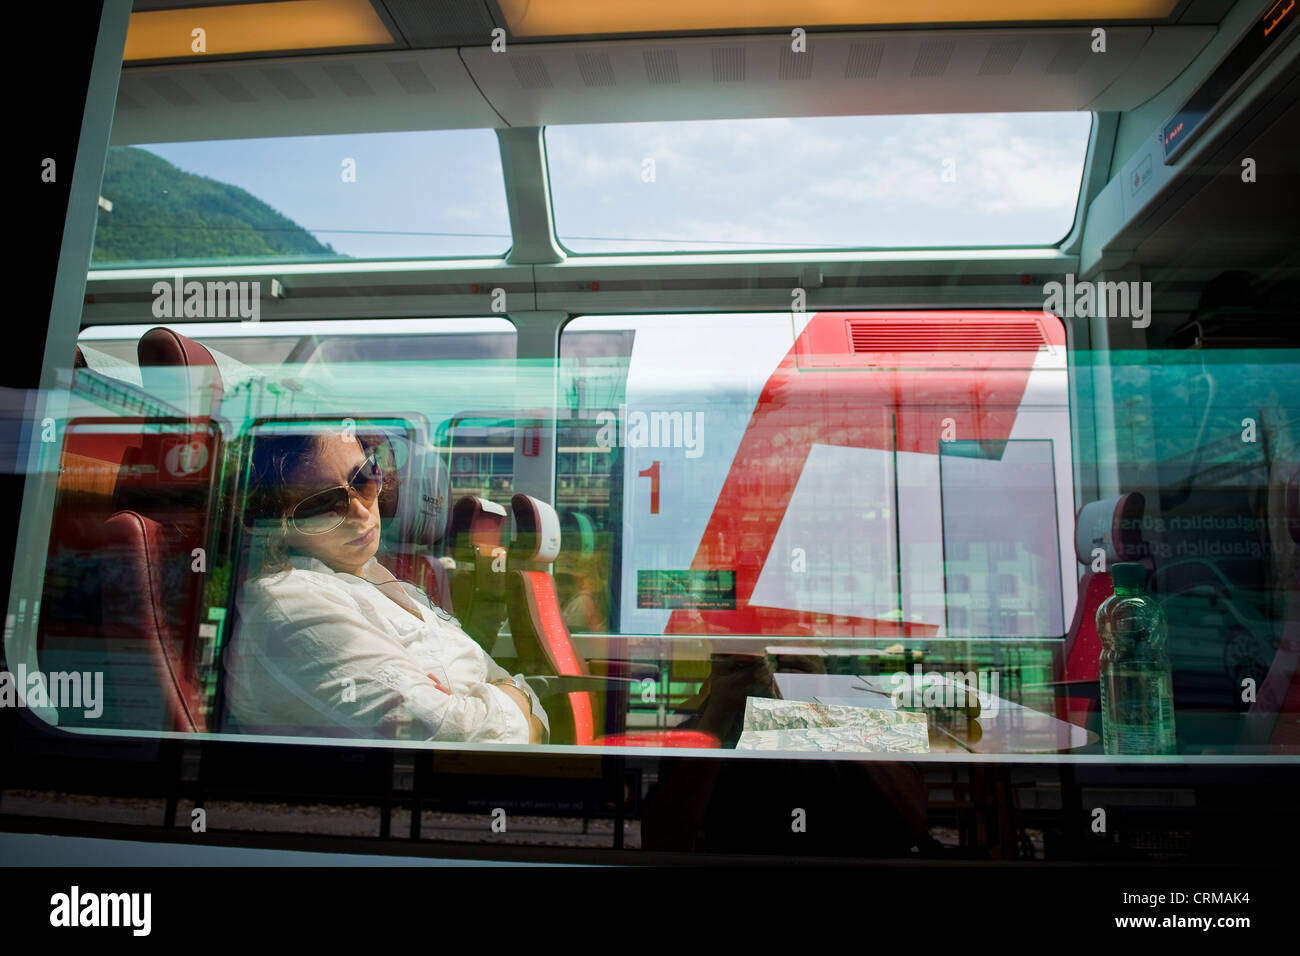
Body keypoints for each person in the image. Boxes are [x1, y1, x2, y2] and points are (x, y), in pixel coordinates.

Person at [223, 430, 548, 744]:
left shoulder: (390, 584)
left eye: (365, 477)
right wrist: (510, 699)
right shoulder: (288, 605)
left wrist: (508, 693)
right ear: (276, 524)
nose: (360, 511)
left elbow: (514, 690)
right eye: (323, 504)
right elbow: (468, 740)